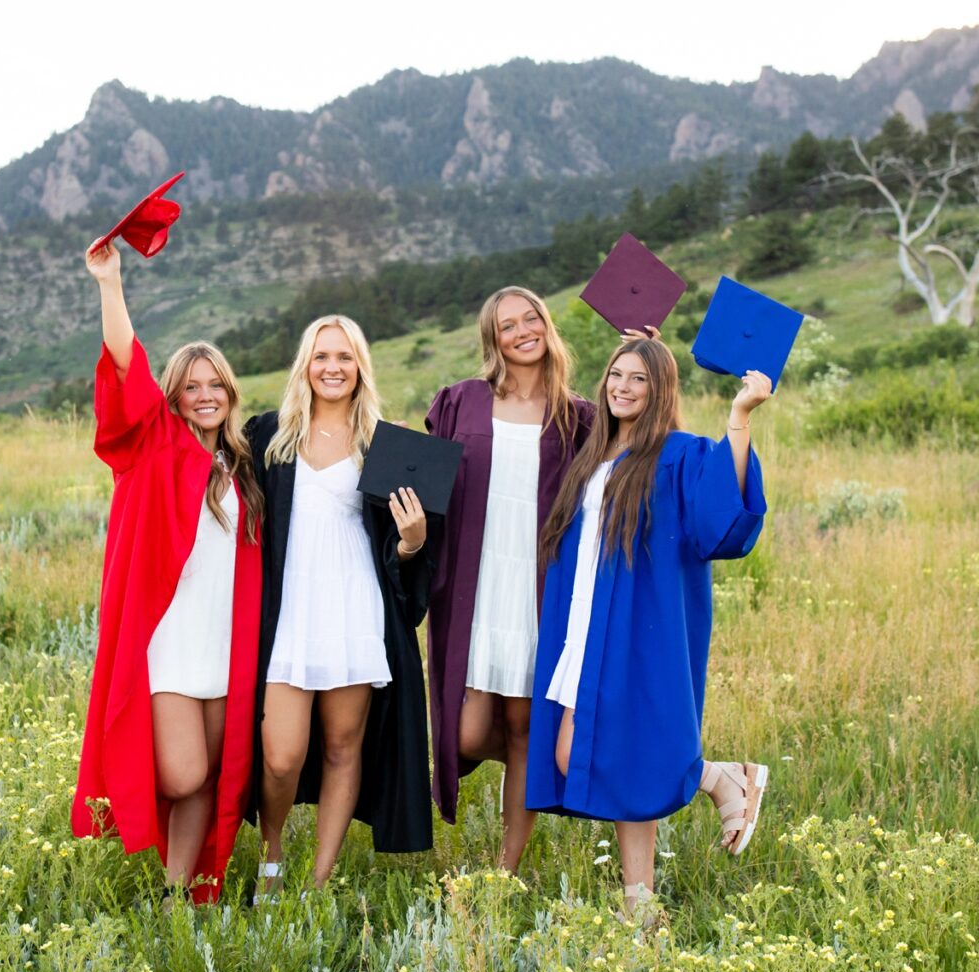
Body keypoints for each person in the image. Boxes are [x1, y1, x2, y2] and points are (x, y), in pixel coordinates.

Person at [524, 335, 773, 922]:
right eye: (616, 373)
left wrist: (739, 416)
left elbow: (723, 519)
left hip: (631, 631)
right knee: (579, 756)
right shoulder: (596, 453)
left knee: (609, 755)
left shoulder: (679, 455)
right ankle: (644, 900)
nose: (623, 387)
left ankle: (713, 784)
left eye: (639, 378)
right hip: (582, 625)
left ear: (660, 389)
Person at [73, 241, 265, 903]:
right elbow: (126, 368)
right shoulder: (158, 447)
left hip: (225, 643)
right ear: (176, 396)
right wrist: (112, 284)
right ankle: (174, 886)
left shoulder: (242, 467)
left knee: (213, 777)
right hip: (169, 645)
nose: (206, 394)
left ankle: (182, 897)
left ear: (230, 394)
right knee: (184, 774)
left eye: (217, 385)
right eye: (193, 385)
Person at [245, 314, 433, 896]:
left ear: (360, 368)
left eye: (345, 357)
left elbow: (402, 547)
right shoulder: (270, 436)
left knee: (342, 747)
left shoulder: (387, 443)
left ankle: (317, 882)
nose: (333, 367)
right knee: (280, 756)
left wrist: (412, 542)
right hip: (291, 612)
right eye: (322, 356)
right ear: (306, 364)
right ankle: (271, 856)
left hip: (354, 607)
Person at [424, 286, 594, 871]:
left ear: (546, 325)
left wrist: (649, 356)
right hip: (475, 582)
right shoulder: (461, 403)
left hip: (539, 587)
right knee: (468, 733)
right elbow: (426, 478)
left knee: (525, 725)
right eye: (506, 326)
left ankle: (507, 866)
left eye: (530, 319)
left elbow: (640, 455)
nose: (521, 331)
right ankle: (534, 757)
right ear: (492, 339)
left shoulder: (581, 416)